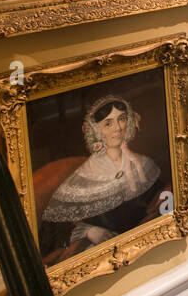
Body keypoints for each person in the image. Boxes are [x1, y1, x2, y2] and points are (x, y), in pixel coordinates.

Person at [39, 95, 164, 263]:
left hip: (150, 253)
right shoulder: (82, 179)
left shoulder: (144, 164)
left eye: (121, 119)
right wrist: (89, 231)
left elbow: (162, 200)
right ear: (95, 130)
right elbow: (51, 236)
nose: (118, 128)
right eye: (108, 123)